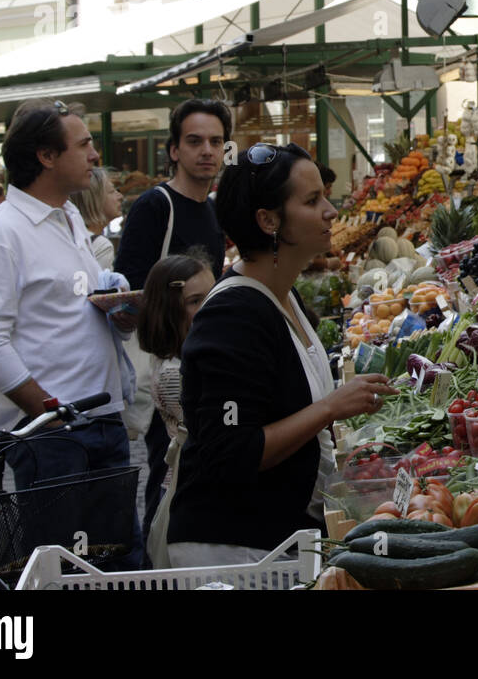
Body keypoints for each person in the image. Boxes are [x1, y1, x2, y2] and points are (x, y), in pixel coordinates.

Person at [167, 143, 395, 565]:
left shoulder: (282, 296)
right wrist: (329, 409)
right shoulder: (233, 315)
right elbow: (232, 451)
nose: (330, 210)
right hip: (235, 553)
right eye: (312, 200)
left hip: (278, 540)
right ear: (268, 220)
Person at [0, 99, 144, 566]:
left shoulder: (67, 218)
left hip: (101, 418)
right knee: (62, 570)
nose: (95, 156)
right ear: (46, 156)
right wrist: (48, 414)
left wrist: (119, 314)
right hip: (53, 434)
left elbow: (71, 311)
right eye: (83, 145)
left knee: (115, 566)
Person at [113, 98, 231, 544]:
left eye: (216, 142)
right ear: (174, 150)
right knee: (166, 470)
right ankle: (156, 563)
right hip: (166, 371)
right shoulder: (155, 207)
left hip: (200, 362)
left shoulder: (212, 210)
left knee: (190, 469)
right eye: (195, 141)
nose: (207, 151)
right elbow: (126, 292)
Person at [136, 251, 214, 568]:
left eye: (213, 295)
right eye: (195, 301)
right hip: (194, 494)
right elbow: (214, 429)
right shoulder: (173, 373)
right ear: (168, 312)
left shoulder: (193, 355)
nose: (208, 307)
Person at [70, 167, 124, 270]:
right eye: (112, 191)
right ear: (95, 199)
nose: (120, 196)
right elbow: (96, 286)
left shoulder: (70, 235)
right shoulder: (101, 245)